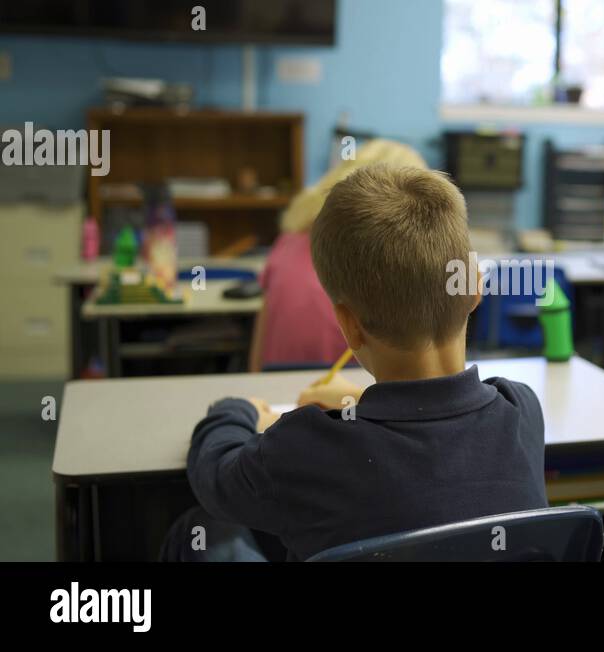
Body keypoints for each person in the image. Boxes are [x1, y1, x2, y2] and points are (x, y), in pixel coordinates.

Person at [164, 165, 548, 561]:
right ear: (474, 289)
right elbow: (434, 430)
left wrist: (234, 411)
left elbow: (214, 479)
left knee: (200, 532)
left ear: (349, 325)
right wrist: (359, 400)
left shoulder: (305, 448)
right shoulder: (522, 411)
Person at [249, 139, 427, 371]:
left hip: (272, 386)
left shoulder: (288, 239)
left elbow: (258, 350)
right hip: (347, 391)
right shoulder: (381, 258)